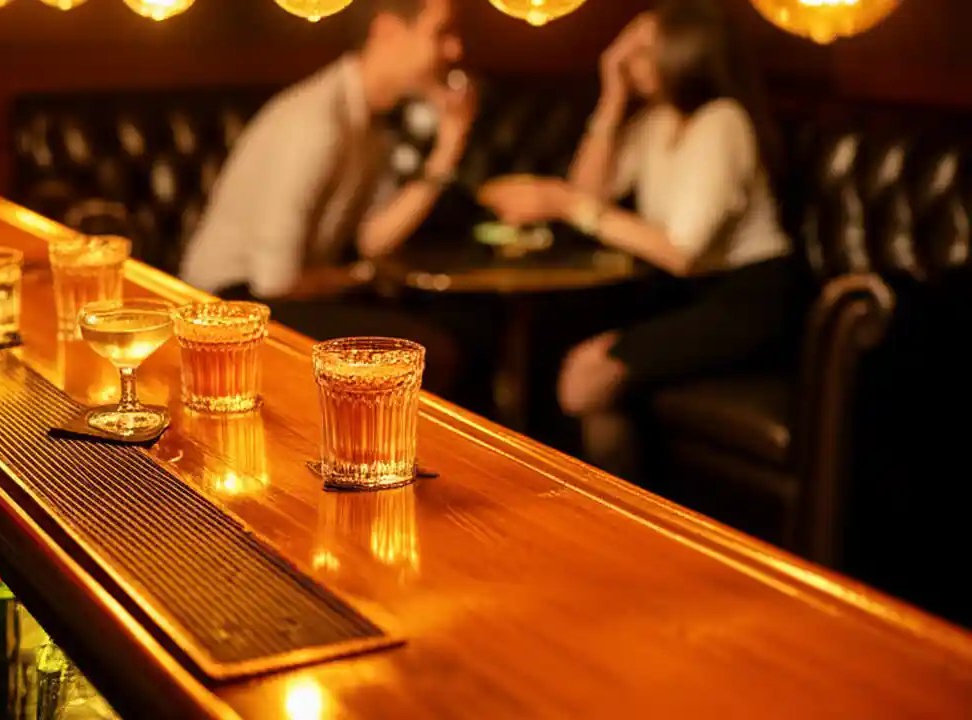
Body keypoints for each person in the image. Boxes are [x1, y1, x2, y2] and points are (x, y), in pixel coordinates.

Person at [479, 0, 799, 476]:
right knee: (555, 349)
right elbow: (589, 192)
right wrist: (611, 96)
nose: (630, 61)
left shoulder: (722, 121)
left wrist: (566, 203)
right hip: (686, 294)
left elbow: (681, 252)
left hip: (751, 295)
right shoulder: (654, 122)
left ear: (685, 51)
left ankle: (620, 515)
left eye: (644, 50)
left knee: (585, 379)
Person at [180, 0, 473, 393]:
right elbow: (276, 280)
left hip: (277, 296)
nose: (456, 51)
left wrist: (450, 144)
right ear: (386, 30)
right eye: (441, 33)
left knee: (458, 328)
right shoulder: (319, 122)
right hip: (225, 307)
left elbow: (374, 239)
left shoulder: (371, 119)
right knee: (429, 352)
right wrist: (357, 277)